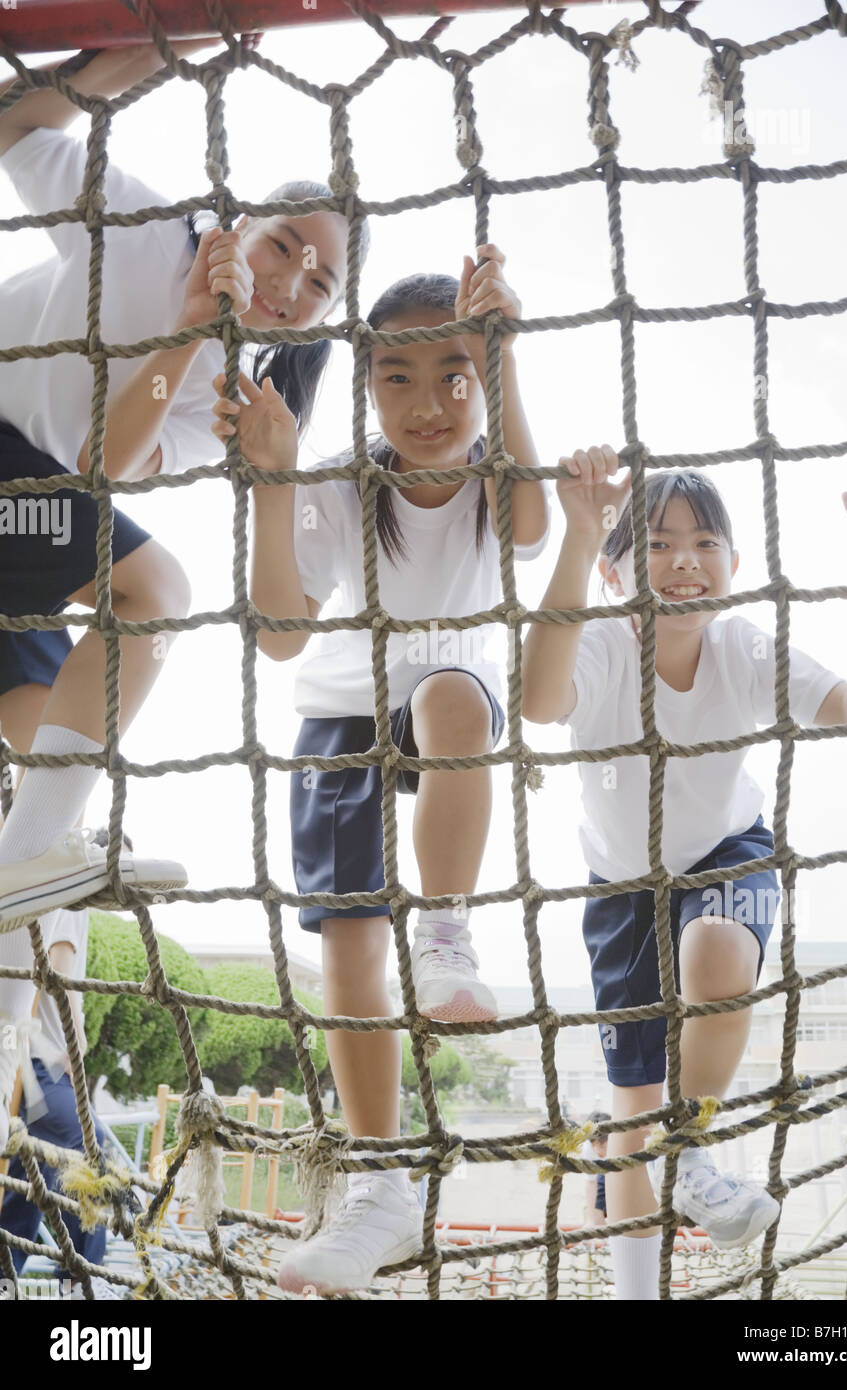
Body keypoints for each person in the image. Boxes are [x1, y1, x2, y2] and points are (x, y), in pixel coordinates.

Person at [0, 40, 358, 1151]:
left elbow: (105, 461)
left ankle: (16, 1022)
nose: (293, 279)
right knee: (157, 584)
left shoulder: (229, 390)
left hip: (29, 510)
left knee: (48, 774)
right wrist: (138, 48)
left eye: (321, 279)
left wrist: (197, 339)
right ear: (239, 223)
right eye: (284, 244)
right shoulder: (150, 226)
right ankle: (33, 866)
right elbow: (13, 115)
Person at [211, 249, 549, 1293]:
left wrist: (503, 358)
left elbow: (534, 526)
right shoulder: (347, 485)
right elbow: (275, 631)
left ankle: (444, 932)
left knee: (452, 694)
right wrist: (271, 482)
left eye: (452, 374)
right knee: (350, 948)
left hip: (442, 694)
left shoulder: (493, 478)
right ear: (366, 389)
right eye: (395, 378)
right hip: (340, 708)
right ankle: (379, 1183)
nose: (428, 401)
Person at [522, 446, 847, 1300]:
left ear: (734, 565)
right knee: (633, 1109)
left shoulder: (741, 646)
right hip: (621, 889)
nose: (683, 562)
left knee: (713, 953)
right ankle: (639, 1279)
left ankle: (691, 1149)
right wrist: (577, 535)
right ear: (613, 568)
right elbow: (539, 701)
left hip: (726, 853)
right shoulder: (596, 642)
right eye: (657, 544)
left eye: (704, 543)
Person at [0, 907, 120, 1299]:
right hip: (35, 1066)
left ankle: (3, 1282)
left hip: (23, 1061)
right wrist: (76, 1038)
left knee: (26, 1183)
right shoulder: (72, 901)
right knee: (90, 1149)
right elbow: (59, 968)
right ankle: (79, 1285)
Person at [583, 1110, 609, 1226]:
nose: (598, 1150)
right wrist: (590, 1219)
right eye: (594, 1145)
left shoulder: (620, 1143)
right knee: (596, 1217)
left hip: (621, 1172)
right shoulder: (588, 1148)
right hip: (602, 1173)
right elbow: (591, 1182)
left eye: (602, 1145)